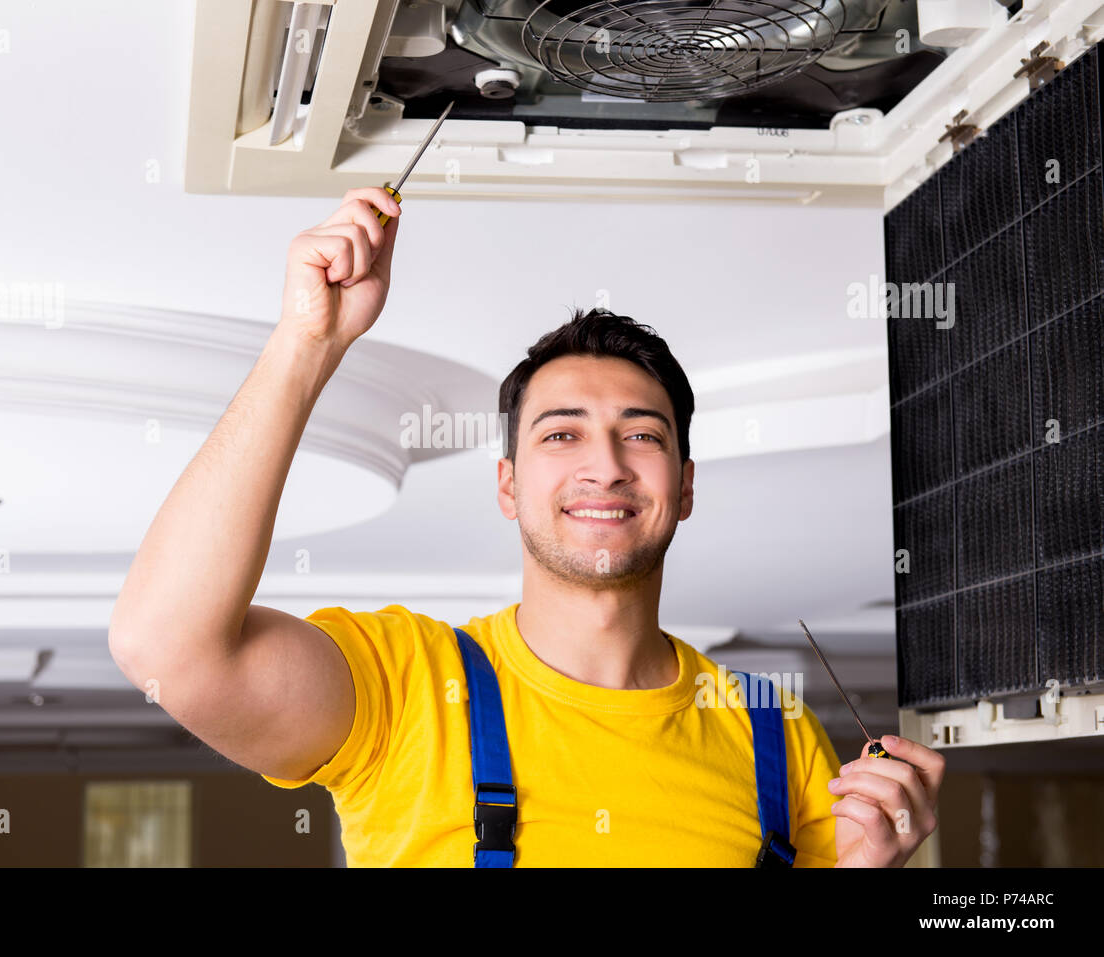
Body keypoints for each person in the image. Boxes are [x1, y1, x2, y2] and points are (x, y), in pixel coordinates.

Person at [108, 187, 945, 867]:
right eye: (562, 433)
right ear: (507, 485)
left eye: (643, 434)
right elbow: (166, 647)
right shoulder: (404, 690)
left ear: (683, 487)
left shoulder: (772, 728)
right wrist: (307, 341)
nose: (606, 464)